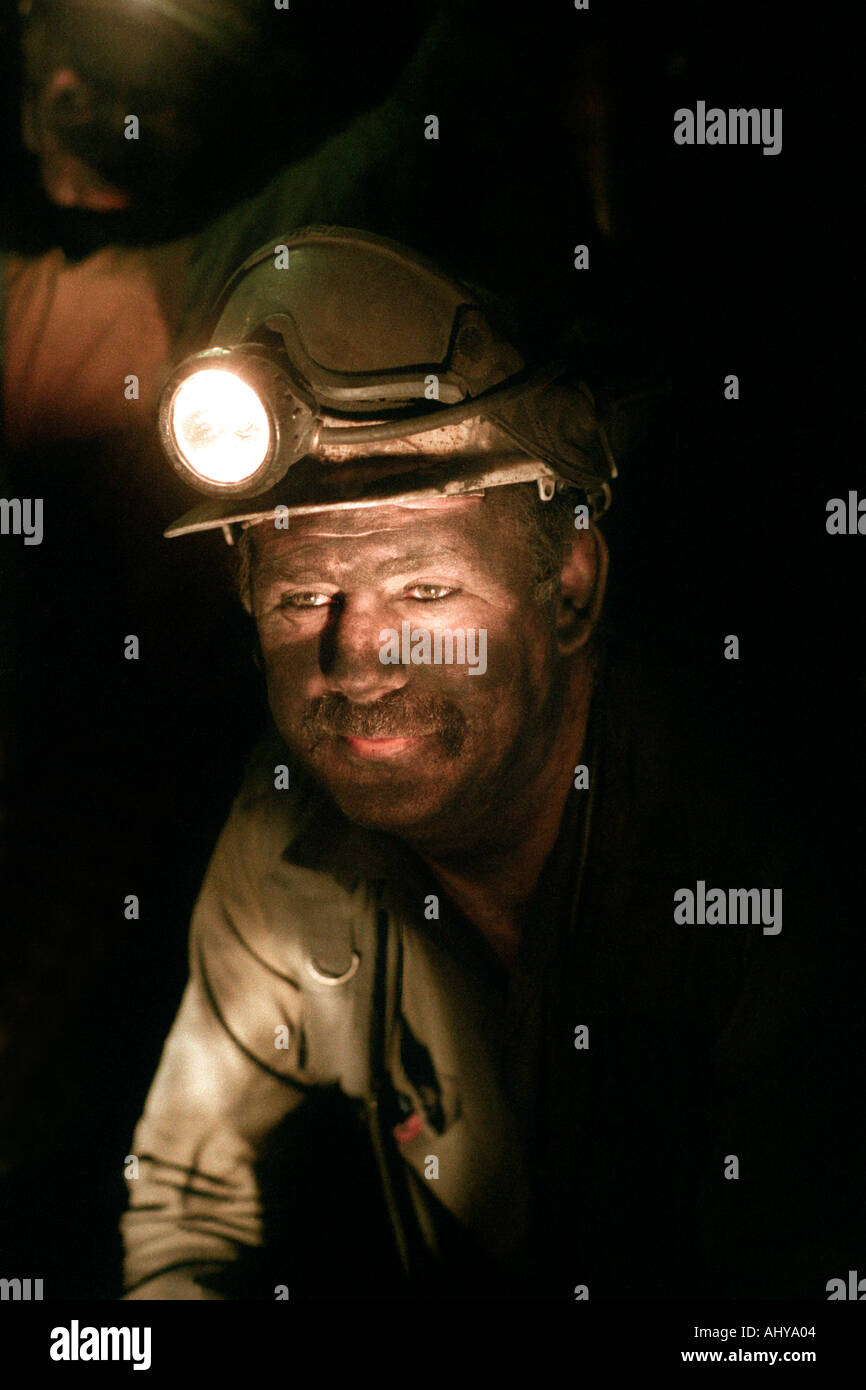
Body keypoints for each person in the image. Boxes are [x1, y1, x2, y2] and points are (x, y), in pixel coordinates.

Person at [120, 227, 847, 1302]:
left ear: (567, 591)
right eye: (303, 600)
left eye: (424, 592)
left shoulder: (764, 876)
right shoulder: (284, 850)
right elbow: (187, 1199)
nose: (356, 661)